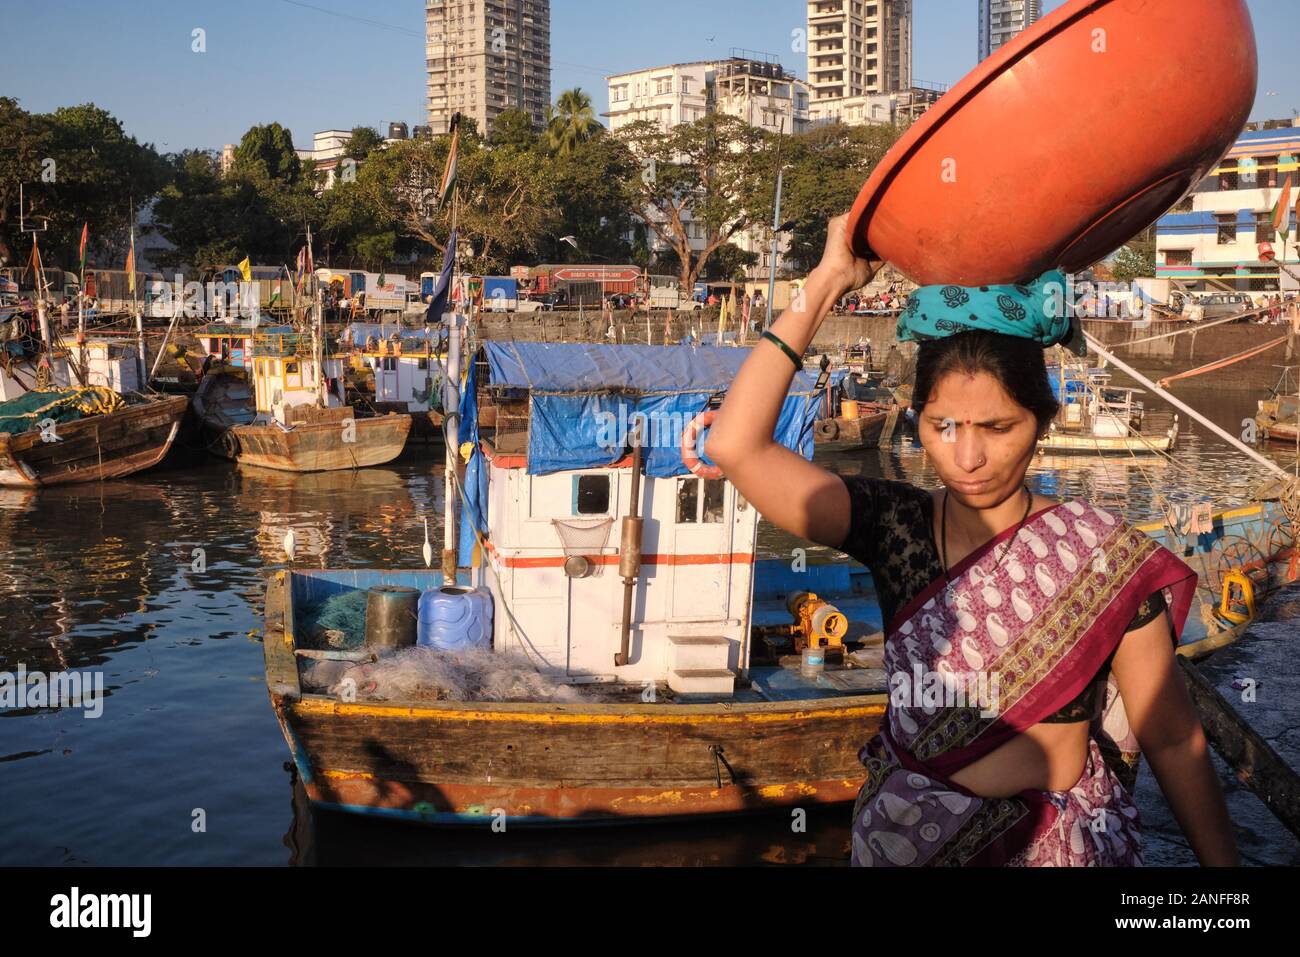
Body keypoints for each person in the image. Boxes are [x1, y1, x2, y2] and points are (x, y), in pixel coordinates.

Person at [705, 214, 1237, 867]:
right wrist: (824, 283)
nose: (969, 456)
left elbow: (1173, 734)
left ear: (1040, 423)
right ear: (918, 419)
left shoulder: (1098, 556)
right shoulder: (894, 525)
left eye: (998, 426)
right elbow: (735, 445)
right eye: (944, 425)